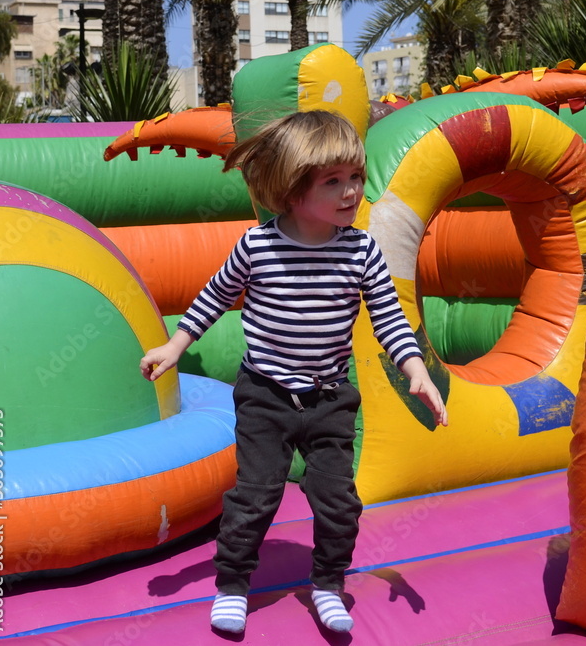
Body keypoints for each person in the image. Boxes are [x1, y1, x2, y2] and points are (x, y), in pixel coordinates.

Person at [139, 110, 448, 635]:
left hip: (329, 399)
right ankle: (232, 584)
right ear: (292, 188)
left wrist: (414, 368)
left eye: (355, 176)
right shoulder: (258, 246)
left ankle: (328, 583)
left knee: (339, 503)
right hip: (266, 395)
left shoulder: (362, 251)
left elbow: (389, 317)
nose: (351, 191)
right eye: (333, 182)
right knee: (256, 496)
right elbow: (215, 296)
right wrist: (175, 344)